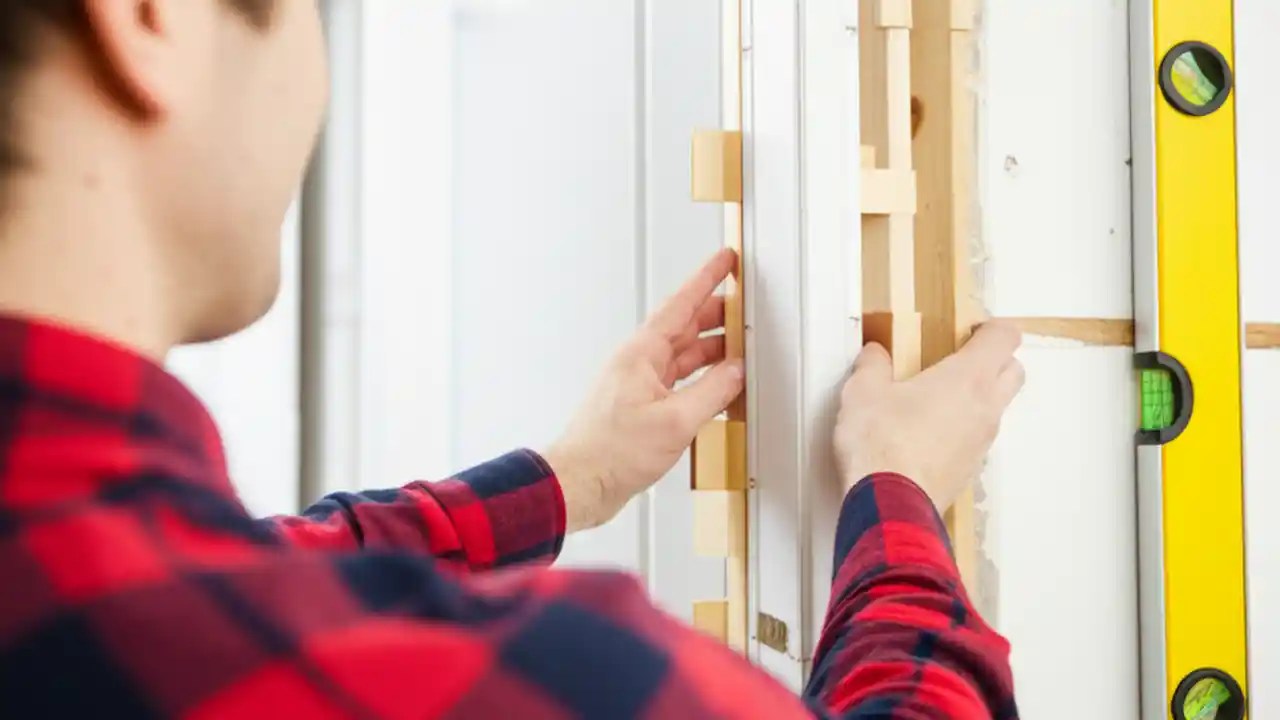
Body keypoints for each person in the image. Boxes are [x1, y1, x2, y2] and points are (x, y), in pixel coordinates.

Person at [0, 2, 1025, 718]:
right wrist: (898, 493)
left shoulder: (67, 588)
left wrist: (572, 478)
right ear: (152, 16)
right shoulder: (519, 682)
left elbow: (259, 566)